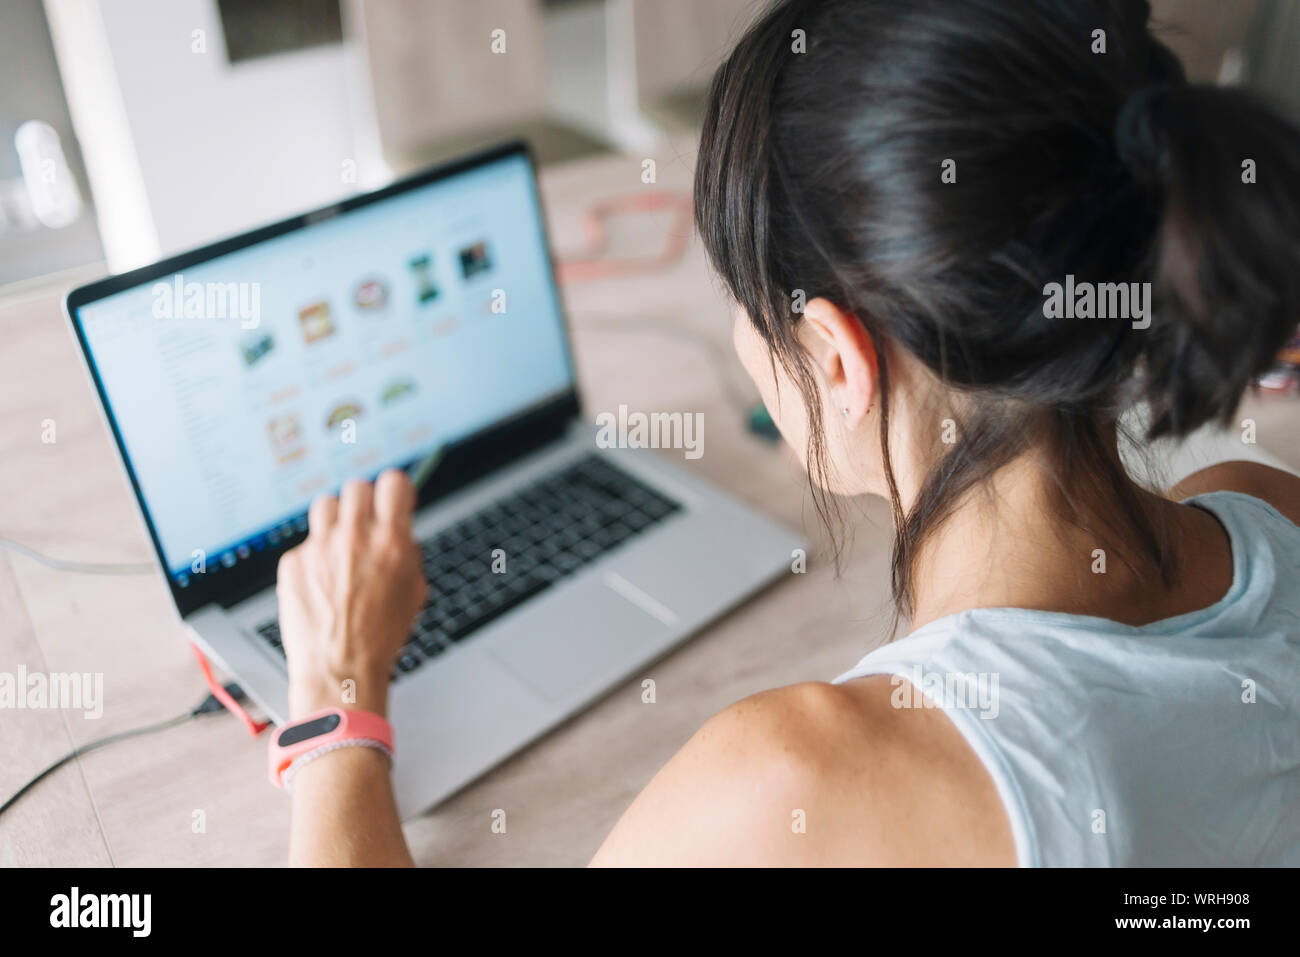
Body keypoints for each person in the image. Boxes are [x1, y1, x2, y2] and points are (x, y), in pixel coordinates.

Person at [275, 0, 1300, 866]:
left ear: (837, 358)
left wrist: (336, 703)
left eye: (743, 301)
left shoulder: (796, 783)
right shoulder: (1270, 510)